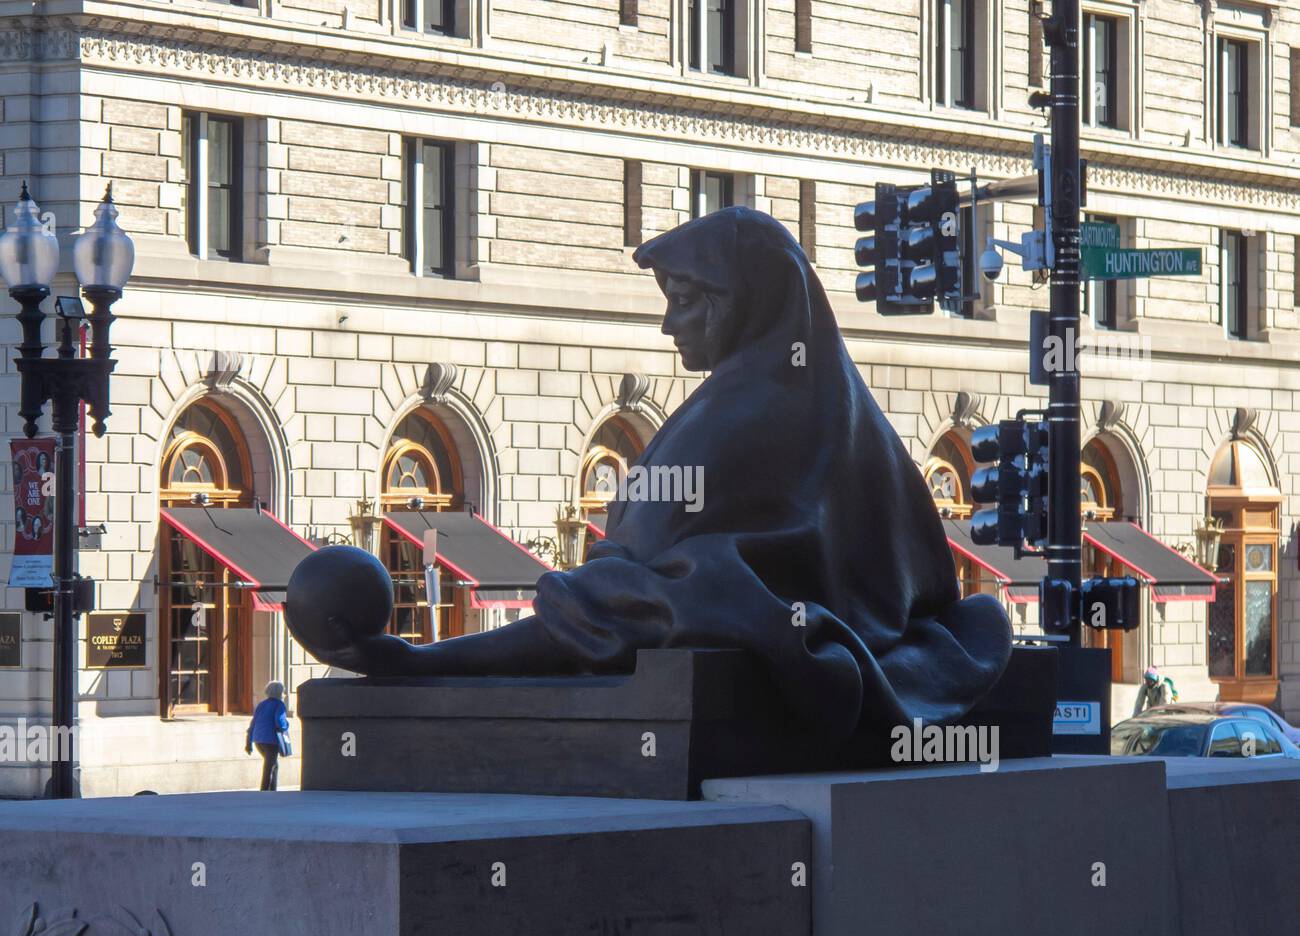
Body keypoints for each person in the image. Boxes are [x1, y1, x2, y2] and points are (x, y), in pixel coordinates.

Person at [310, 207, 1011, 740]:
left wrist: (423, 662)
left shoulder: (734, 421)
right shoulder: (844, 411)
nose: (668, 325)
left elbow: (604, 609)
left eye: (686, 301)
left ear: (747, 306)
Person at [246, 681, 290, 791]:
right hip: (271, 740)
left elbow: (253, 722)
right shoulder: (279, 704)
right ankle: (265, 791)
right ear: (280, 693)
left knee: (273, 764)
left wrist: (249, 742)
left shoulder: (262, 704)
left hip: (258, 739)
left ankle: (273, 789)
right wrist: (286, 726)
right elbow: (280, 722)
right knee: (269, 767)